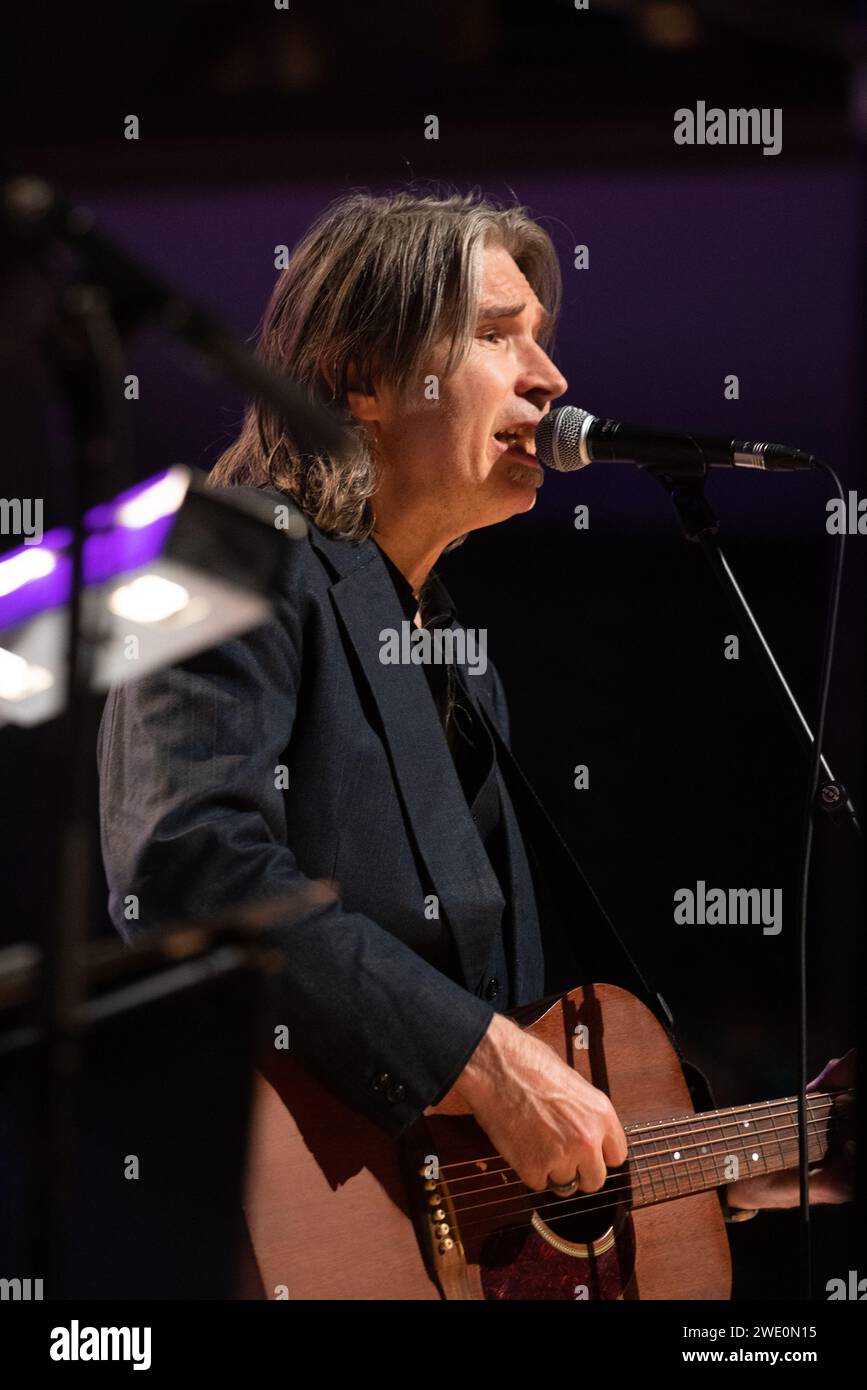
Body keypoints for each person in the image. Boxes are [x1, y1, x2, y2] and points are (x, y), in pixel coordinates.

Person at [97, 189, 852, 1222]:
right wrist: (483, 1061)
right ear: (362, 377)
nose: (552, 379)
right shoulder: (222, 547)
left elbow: (498, 1118)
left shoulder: (454, 659)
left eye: (540, 339)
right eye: (500, 335)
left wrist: (721, 1164)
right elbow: (188, 866)